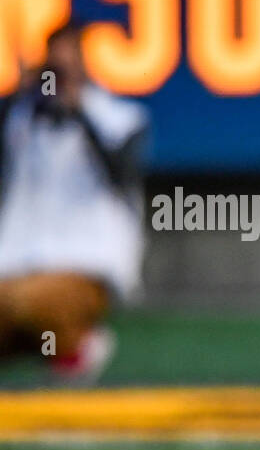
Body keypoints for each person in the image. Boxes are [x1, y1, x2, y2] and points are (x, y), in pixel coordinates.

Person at [0, 20, 149, 381]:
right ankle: (64, 350)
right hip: (18, 262)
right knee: (18, 305)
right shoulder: (22, 118)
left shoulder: (117, 117)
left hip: (84, 262)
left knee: (29, 303)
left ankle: (72, 339)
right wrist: (20, 93)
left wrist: (78, 112)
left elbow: (120, 174)